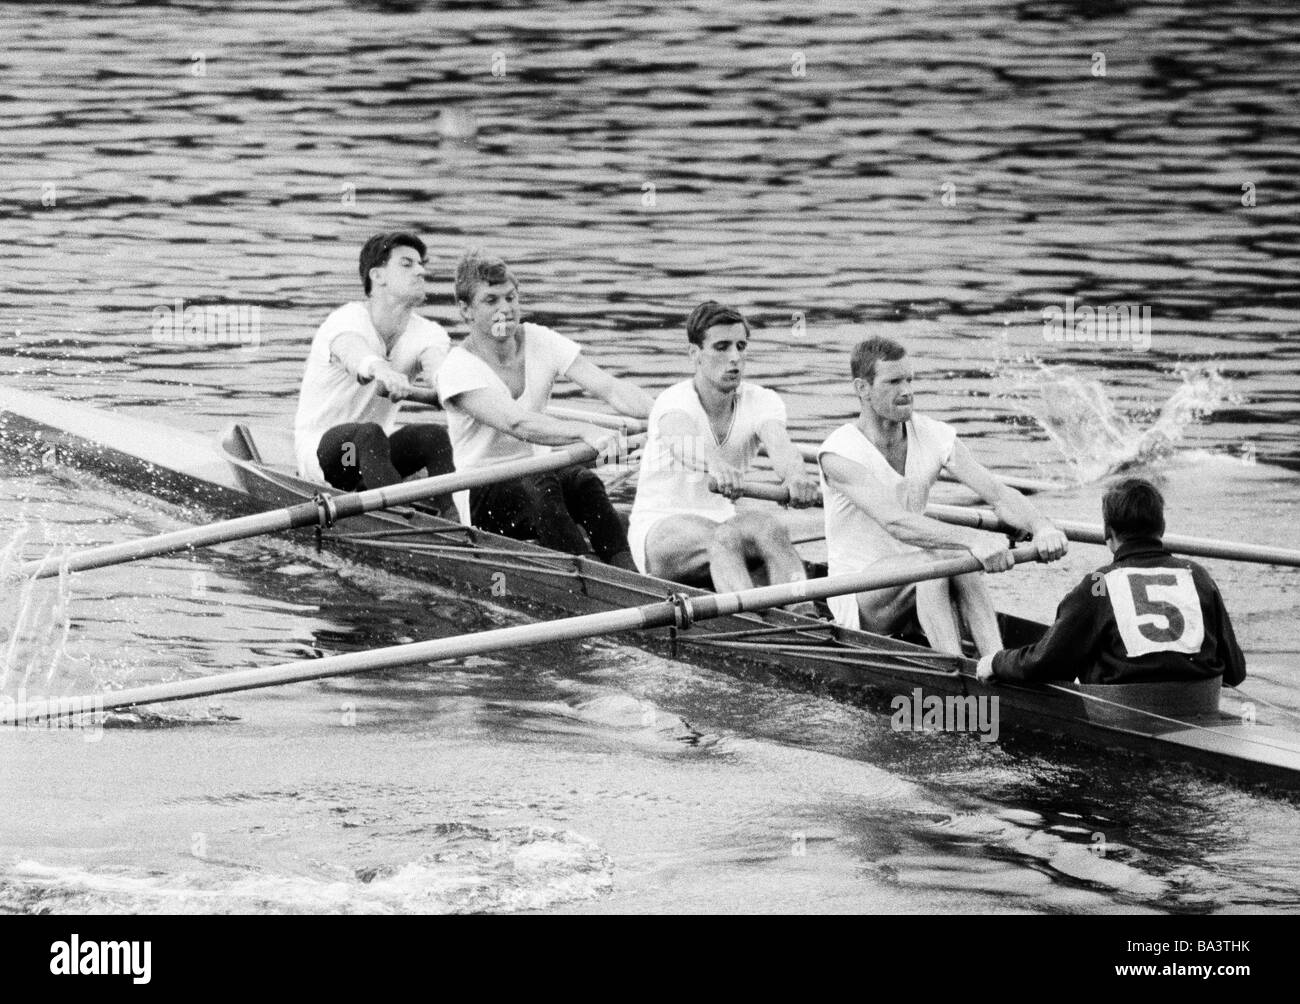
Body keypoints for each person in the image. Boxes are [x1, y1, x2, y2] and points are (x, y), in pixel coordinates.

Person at [818, 336, 1068, 654]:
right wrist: (973, 540)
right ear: (862, 389)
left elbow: (999, 495)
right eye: (894, 381)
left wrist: (1041, 526)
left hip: (919, 578)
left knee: (953, 558)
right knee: (945, 557)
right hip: (860, 596)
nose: (907, 391)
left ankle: (996, 660)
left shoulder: (934, 434)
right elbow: (896, 522)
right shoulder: (840, 453)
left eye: (910, 379)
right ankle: (952, 669)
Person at [435, 250, 652, 569]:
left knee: (582, 481)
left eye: (511, 297)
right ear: (465, 310)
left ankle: (628, 573)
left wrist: (670, 414)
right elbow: (517, 423)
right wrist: (586, 432)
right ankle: (582, 577)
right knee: (540, 483)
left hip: (539, 482)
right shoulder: (457, 367)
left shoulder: (539, 339)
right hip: (483, 497)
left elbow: (610, 388)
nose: (505, 309)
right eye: (491, 301)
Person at [628, 301, 820, 597]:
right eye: (721, 347)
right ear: (695, 354)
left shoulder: (762, 401)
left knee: (771, 528)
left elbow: (780, 445)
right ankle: (753, 620)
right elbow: (684, 442)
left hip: (722, 523)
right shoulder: (673, 401)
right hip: (659, 530)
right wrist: (715, 465)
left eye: (741, 346)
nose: (735, 358)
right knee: (726, 537)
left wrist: (796, 477)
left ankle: (803, 614)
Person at [976, 477, 1246, 686]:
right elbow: (1235, 672)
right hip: (1198, 706)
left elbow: (1047, 666)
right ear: (1161, 528)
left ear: (1109, 535)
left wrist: (997, 663)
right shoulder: (1197, 575)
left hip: (1122, 712)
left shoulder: (1099, 584)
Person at [293, 232, 455, 514]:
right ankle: (404, 520)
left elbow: (440, 374)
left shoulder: (429, 333)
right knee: (368, 435)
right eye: (407, 264)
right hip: (334, 459)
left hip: (375, 457)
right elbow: (355, 355)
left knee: (435, 437)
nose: (421, 271)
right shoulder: (345, 320)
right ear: (377, 276)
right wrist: (382, 371)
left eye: (421, 264)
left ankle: (459, 520)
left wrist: (454, 388)